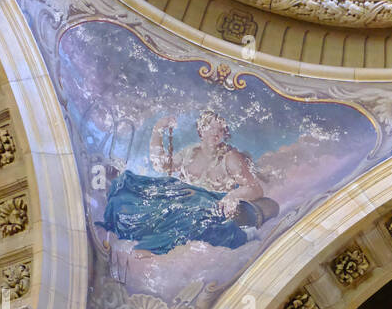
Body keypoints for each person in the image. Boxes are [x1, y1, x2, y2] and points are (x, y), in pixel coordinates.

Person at [100, 109, 278, 258]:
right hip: (180, 200)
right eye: (210, 127)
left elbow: (254, 188)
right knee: (132, 195)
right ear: (201, 130)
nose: (215, 133)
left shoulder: (230, 157)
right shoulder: (190, 152)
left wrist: (232, 196)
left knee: (191, 214)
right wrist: (157, 130)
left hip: (209, 206)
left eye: (220, 129)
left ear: (225, 133)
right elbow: (160, 164)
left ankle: (154, 247)